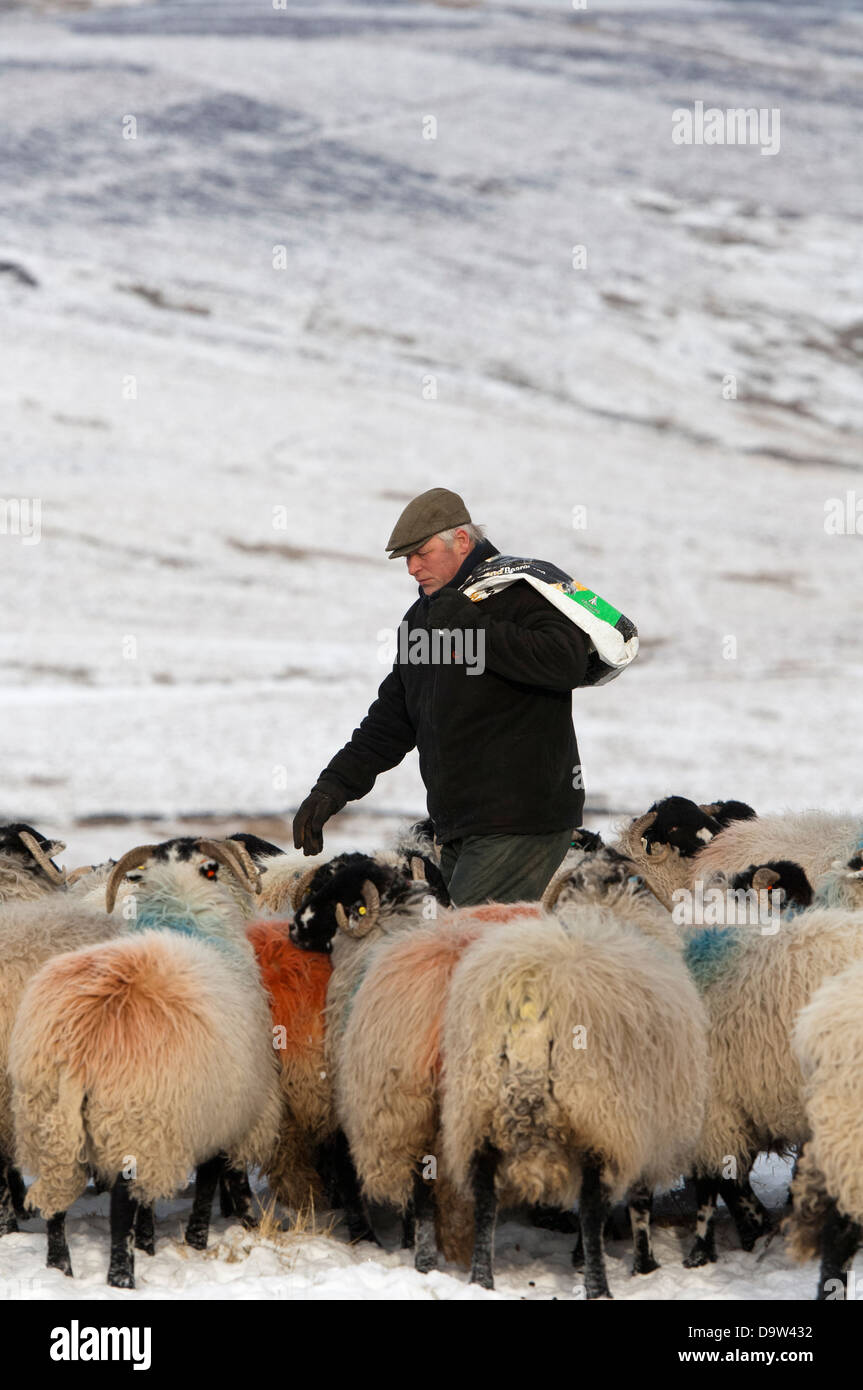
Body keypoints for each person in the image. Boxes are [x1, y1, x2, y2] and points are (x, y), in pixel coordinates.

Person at [292, 487, 590, 906]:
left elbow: (566, 663)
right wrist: (334, 786)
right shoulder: (423, 618)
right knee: (465, 956)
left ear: (462, 541)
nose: (413, 568)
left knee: (463, 952)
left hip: (521, 819)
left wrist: (470, 626)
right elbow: (394, 717)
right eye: (406, 559)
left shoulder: (520, 592)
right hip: (459, 827)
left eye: (421, 553)